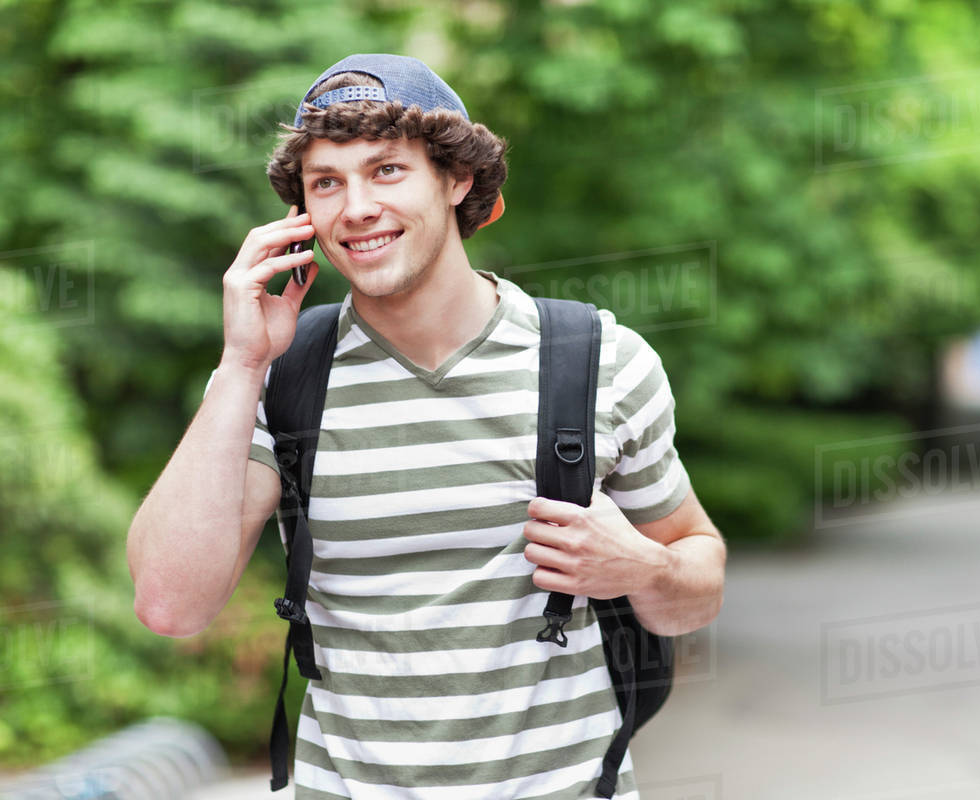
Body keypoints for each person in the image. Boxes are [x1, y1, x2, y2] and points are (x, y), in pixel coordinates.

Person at [126, 53, 726, 799]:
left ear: (457, 179)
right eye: (326, 183)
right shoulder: (281, 376)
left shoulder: (599, 362)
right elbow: (168, 605)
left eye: (386, 171)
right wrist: (242, 363)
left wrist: (645, 569)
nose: (355, 208)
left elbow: (697, 585)